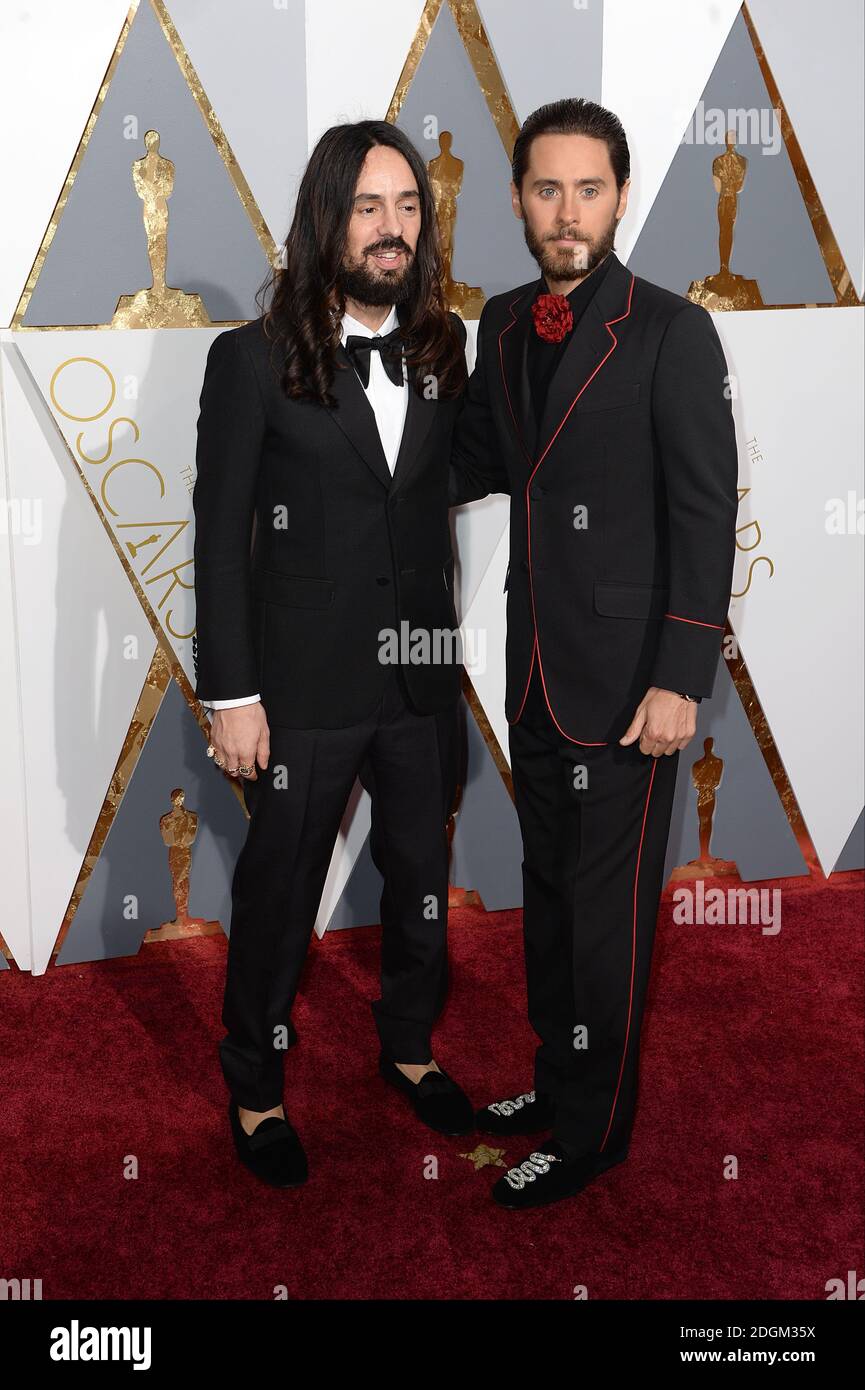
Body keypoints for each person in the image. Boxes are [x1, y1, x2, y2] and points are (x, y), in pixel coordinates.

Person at [449, 98, 739, 1210]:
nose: (565, 212)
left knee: (606, 912)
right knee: (550, 892)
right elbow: (479, 455)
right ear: (518, 199)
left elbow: (705, 512)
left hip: (628, 683)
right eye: (544, 189)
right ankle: (556, 1075)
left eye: (588, 189)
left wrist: (680, 677)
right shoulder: (505, 321)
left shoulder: (672, 330)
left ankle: (590, 1133)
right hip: (532, 665)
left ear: (619, 197)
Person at [193, 120, 474, 1190]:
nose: (391, 228)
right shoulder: (249, 360)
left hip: (418, 677)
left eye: (407, 207)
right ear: (326, 218)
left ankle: (409, 1043)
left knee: (422, 880)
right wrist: (231, 691)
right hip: (297, 689)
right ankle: (256, 1087)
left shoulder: (445, 349)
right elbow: (218, 537)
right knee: (278, 892)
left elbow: (471, 475)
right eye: (368, 206)